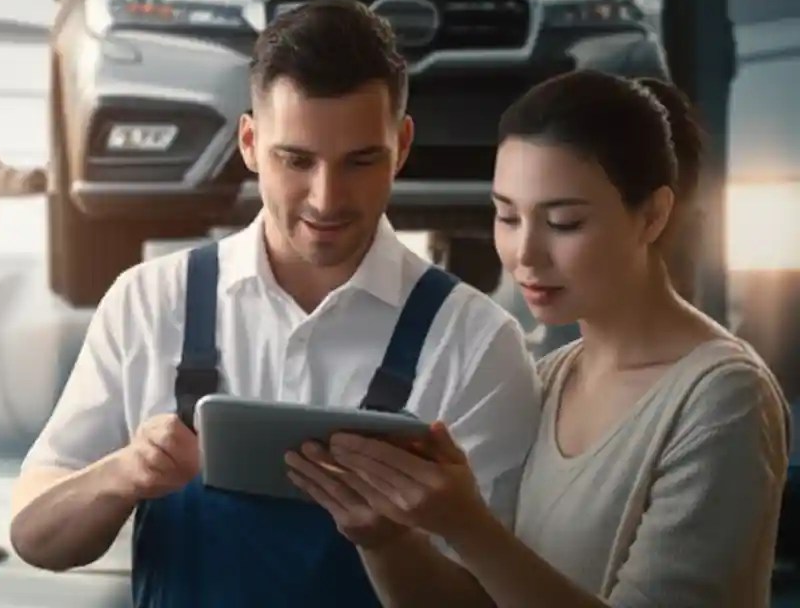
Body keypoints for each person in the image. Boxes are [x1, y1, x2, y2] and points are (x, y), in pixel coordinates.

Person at [9, 0, 542, 606]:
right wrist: (123, 473)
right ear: (250, 142)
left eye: (360, 161)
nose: (326, 198)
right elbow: (35, 537)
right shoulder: (150, 303)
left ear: (402, 145)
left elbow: (491, 600)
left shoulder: (476, 344)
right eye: (296, 160)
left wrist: (390, 542)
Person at [288, 69, 792, 607]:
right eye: (507, 216)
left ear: (652, 215)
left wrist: (469, 527)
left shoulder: (722, 397)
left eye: (564, 222)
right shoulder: (550, 379)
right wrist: (388, 538)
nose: (525, 254)